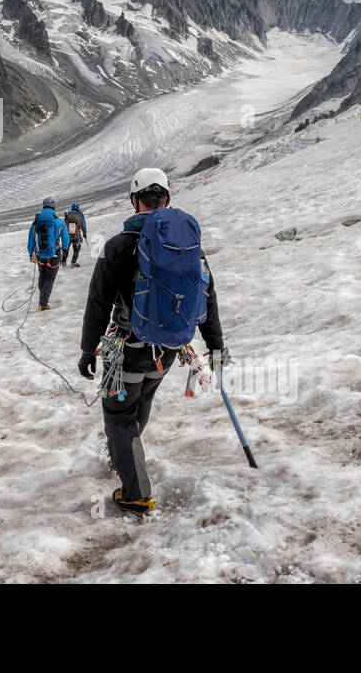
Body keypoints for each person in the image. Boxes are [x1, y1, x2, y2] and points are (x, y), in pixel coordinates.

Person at [77, 167, 228, 515]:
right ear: (168, 199)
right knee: (141, 399)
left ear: (134, 200)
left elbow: (98, 303)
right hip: (170, 348)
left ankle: (136, 493)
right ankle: (129, 457)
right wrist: (216, 344)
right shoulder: (187, 248)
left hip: (127, 350)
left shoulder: (117, 246)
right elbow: (207, 296)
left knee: (117, 416)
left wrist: (88, 350)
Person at [27, 196, 70, 311]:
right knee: (50, 278)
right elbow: (65, 240)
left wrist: (31, 253)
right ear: (54, 207)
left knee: (42, 276)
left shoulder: (36, 221)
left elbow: (31, 238)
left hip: (40, 254)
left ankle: (43, 299)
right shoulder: (60, 221)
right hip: (54, 254)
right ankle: (43, 303)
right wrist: (65, 251)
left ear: (43, 207)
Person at [61, 202, 88, 267]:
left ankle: (63, 262)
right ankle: (73, 262)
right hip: (77, 236)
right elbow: (83, 225)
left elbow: (64, 225)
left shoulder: (68, 214)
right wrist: (84, 233)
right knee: (76, 249)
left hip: (68, 236)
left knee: (66, 249)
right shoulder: (80, 214)